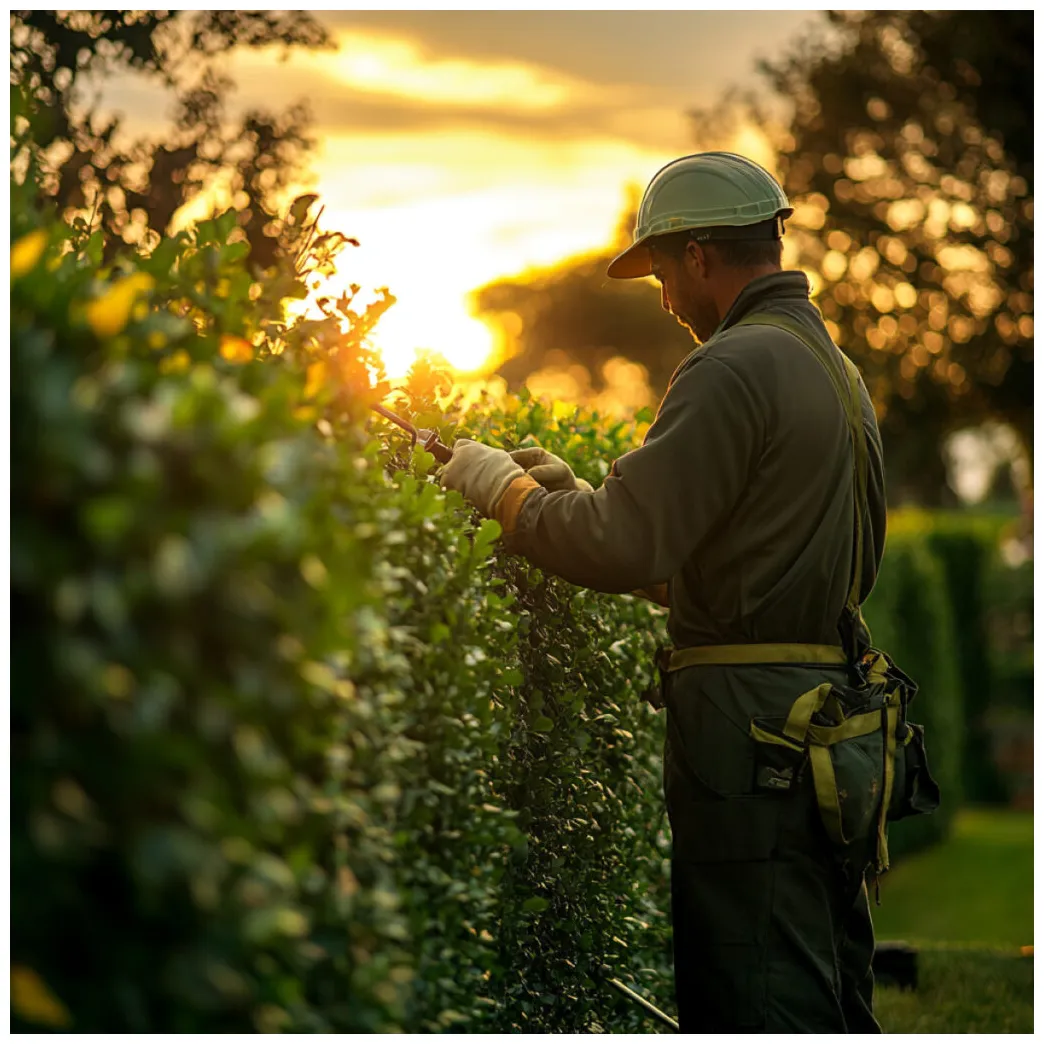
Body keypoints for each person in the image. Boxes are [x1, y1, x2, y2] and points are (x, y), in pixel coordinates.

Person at [439, 152, 898, 1032]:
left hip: (756, 740)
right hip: (824, 725)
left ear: (697, 256)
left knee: (753, 996)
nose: (661, 296)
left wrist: (504, 492)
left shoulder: (732, 367)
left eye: (659, 270)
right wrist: (569, 495)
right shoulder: (829, 365)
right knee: (822, 988)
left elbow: (625, 543)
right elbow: (744, 564)